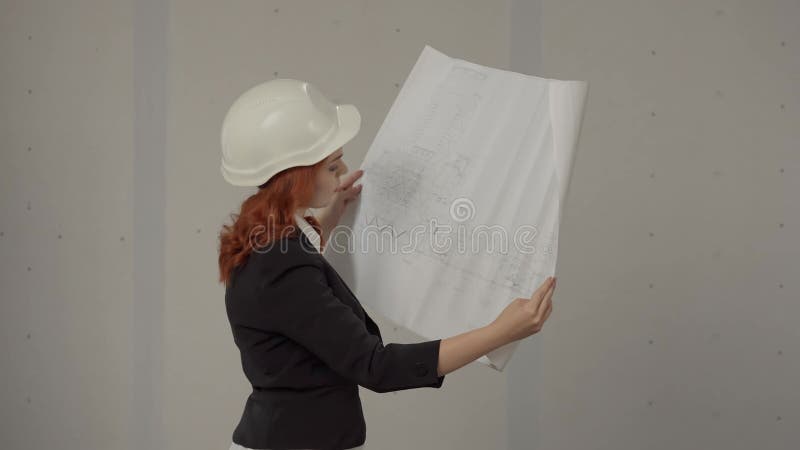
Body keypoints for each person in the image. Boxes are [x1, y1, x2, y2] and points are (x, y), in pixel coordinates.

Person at [218, 79, 557, 450]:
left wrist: (332, 215)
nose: (343, 169)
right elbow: (378, 367)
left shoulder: (262, 234)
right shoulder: (281, 265)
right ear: (295, 178)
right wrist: (500, 332)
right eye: (332, 167)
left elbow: (293, 291)